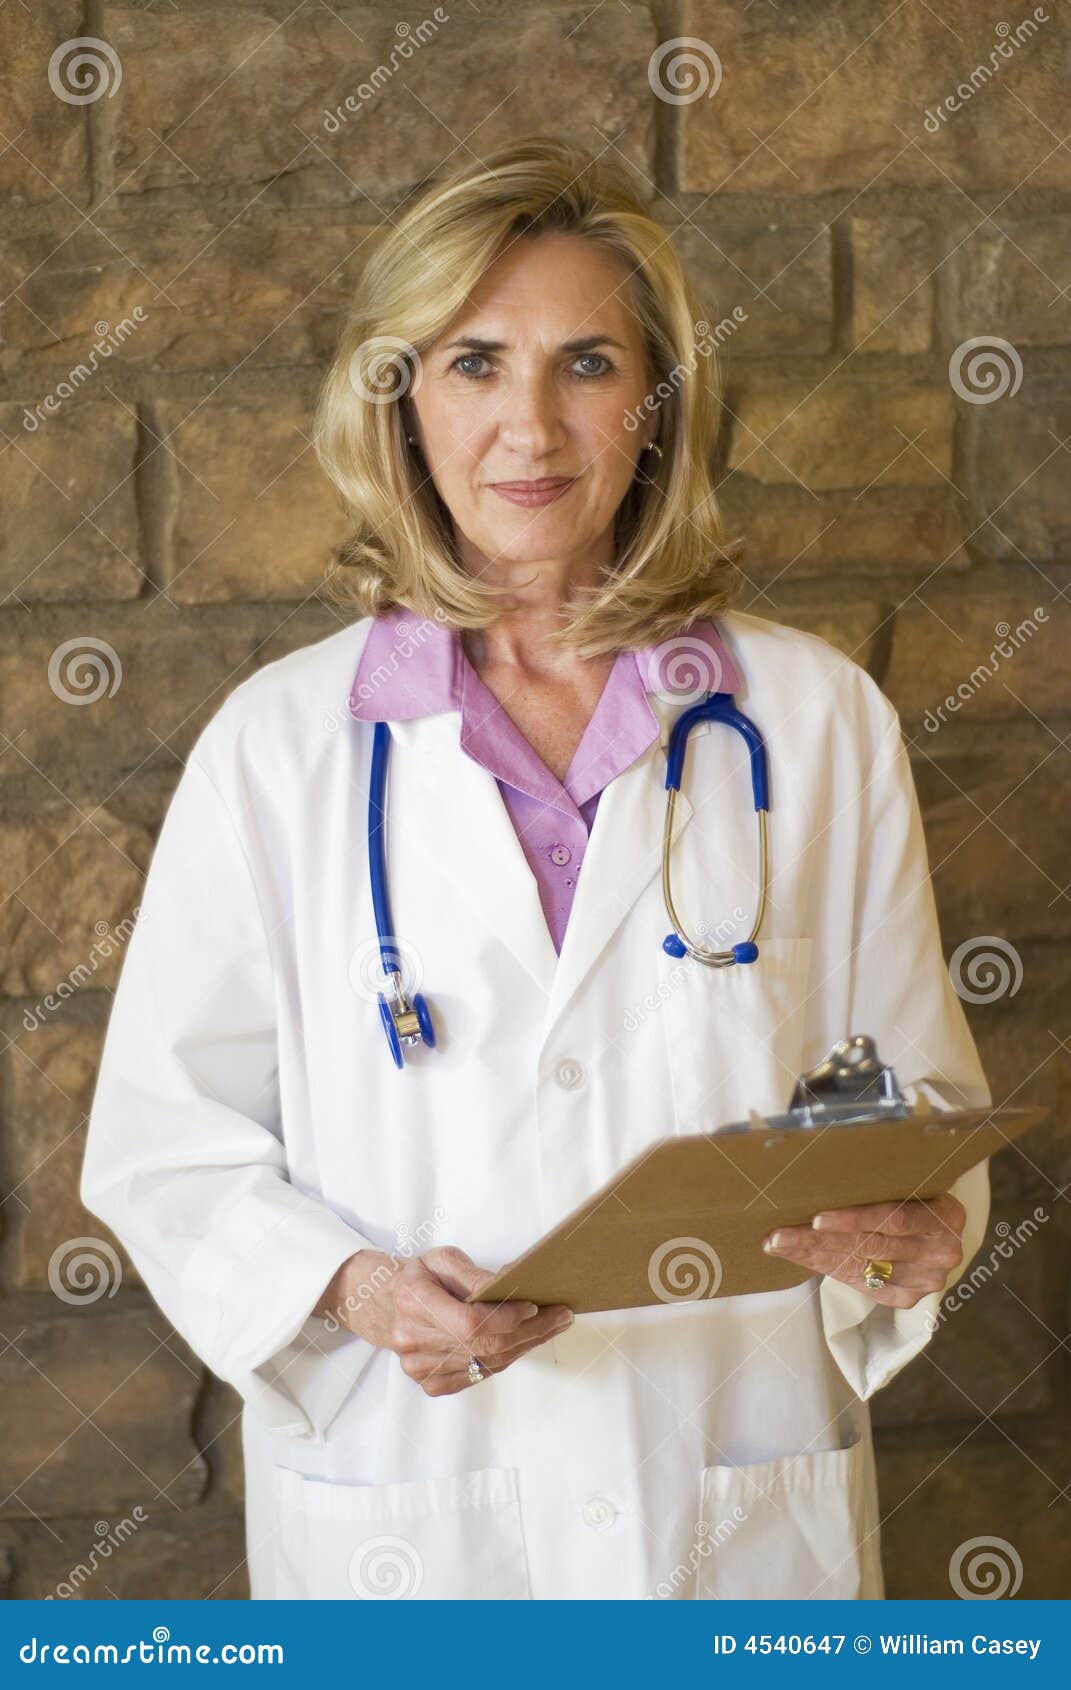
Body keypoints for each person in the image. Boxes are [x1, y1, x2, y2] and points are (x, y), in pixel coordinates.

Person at [80, 135, 990, 1601]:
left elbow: (922, 1106)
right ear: (401, 399)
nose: (532, 426)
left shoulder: (812, 722)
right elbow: (163, 1147)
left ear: (657, 402)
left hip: (734, 1490)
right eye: (474, 364)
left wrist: (914, 1233)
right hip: (412, 1514)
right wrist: (359, 1293)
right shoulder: (279, 748)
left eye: (586, 363)